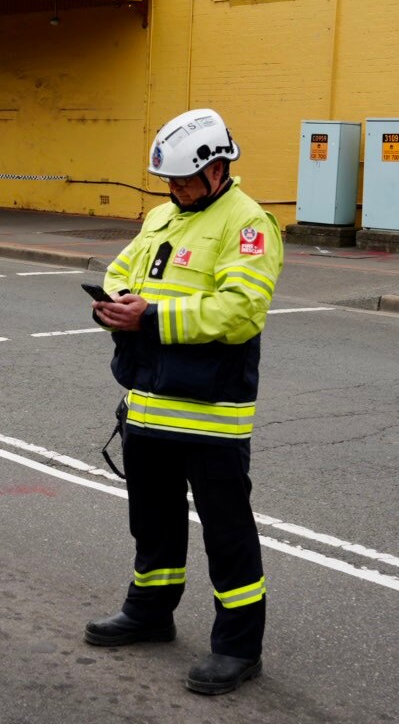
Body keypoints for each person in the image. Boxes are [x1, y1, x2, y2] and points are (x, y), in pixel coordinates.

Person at [85, 108, 283, 696]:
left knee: (227, 533)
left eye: (185, 182)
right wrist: (115, 305)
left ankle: (239, 648)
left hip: (211, 412)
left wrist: (151, 316)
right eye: (169, 182)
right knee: (153, 522)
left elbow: (241, 310)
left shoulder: (248, 224)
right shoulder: (162, 216)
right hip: (148, 403)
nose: (175, 191)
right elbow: (123, 271)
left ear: (218, 168)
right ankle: (150, 612)